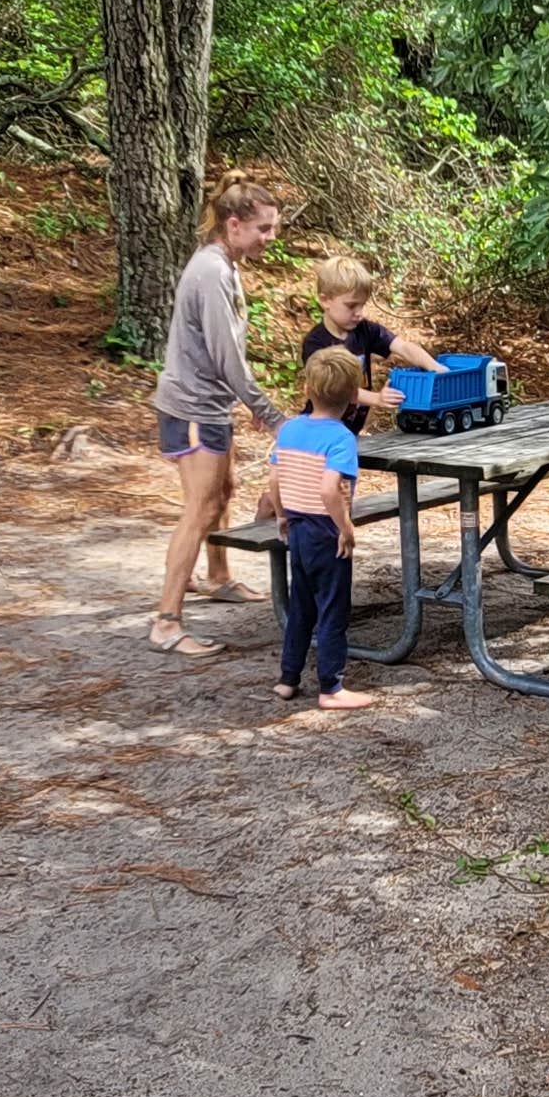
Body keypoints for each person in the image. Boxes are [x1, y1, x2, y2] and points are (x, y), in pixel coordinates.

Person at [148, 171, 287, 658]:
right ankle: (167, 621)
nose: (270, 238)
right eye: (263, 229)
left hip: (210, 404)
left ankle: (219, 576)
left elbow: (225, 358)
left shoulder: (223, 265)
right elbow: (228, 356)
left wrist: (240, 402)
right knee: (201, 509)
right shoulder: (209, 271)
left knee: (223, 493)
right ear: (233, 225)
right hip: (191, 408)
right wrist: (270, 415)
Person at [264, 345, 374, 711]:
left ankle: (288, 678)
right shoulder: (341, 438)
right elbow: (330, 489)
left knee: (302, 605)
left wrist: (281, 515)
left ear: (307, 389)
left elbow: (274, 478)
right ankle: (331, 686)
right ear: (354, 398)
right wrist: (345, 527)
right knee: (332, 609)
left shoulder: (290, 429)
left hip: (296, 526)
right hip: (326, 530)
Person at [299, 254, 446, 434]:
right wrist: (377, 399)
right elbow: (335, 391)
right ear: (325, 300)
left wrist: (434, 366)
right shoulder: (316, 343)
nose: (359, 313)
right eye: (351, 306)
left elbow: (403, 347)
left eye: (362, 305)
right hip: (321, 428)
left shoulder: (365, 330)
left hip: (350, 428)